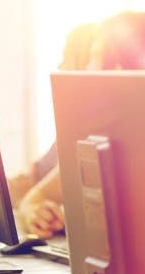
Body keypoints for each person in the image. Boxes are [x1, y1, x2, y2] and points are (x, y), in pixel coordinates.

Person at [19, 11, 145, 238]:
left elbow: (138, 215)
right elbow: (37, 196)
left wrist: (62, 215)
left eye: (94, 57)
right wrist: (35, 212)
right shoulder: (103, 126)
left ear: (118, 69)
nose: (87, 69)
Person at [8, 22, 100, 203]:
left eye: (67, 57)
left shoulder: (93, 136)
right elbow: (33, 179)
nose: (60, 65)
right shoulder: (73, 127)